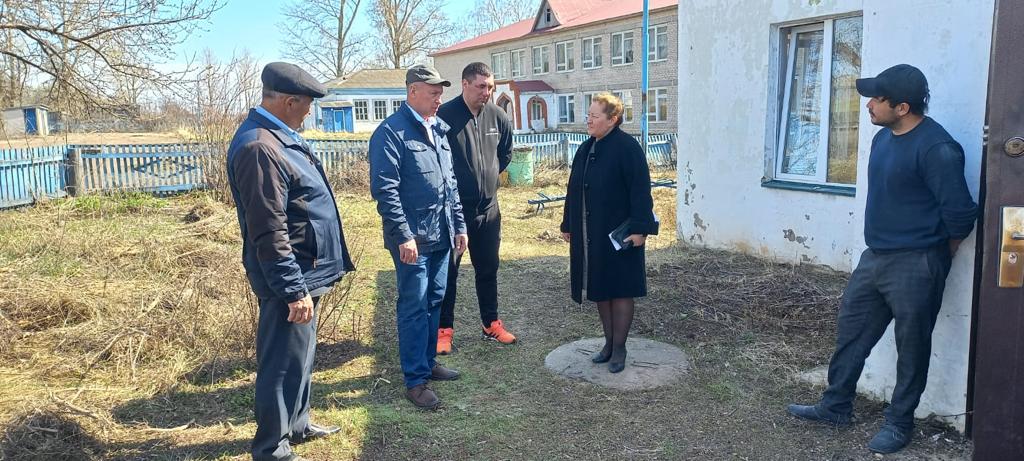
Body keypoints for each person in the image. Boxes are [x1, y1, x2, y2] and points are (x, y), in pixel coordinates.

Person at [787, 64, 978, 454]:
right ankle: (836, 405)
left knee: (911, 346)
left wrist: (938, 254)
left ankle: (899, 422)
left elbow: (960, 213)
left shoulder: (938, 149)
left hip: (917, 262)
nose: (869, 105)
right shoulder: (884, 139)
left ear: (903, 107)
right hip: (875, 257)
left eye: (877, 99)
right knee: (852, 331)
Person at [226, 62, 356, 461]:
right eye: (307, 105)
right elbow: (269, 230)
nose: (310, 112)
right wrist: (292, 289)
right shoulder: (259, 147)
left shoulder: (279, 137)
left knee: (300, 355)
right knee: (281, 364)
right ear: (288, 101)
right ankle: (272, 448)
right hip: (291, 277)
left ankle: (297, 425)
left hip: (308, 269)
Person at [369, 64, 468, 410]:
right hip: (413, 240)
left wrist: (459, 226)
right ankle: (415, 381)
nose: (440, 99)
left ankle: (428, 363)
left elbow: (450, 184)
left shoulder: (439, 129)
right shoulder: (391, 133)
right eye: (433, 92)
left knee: (435, 300)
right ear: (413, 92)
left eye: (441, 92)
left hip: (441, 233)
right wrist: (403, 235)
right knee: (414, 306)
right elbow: (386, 191)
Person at [560, 92, 658, 374]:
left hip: (621, 235)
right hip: (593, 233)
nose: (588, 120)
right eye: (588, 115)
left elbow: (641, 192)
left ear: (612, 119)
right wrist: (568, 224)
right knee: (601, 289)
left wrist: (641, 230)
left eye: (594, 116)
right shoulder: (587, 148)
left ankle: (620, 348)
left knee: (621, 289)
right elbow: (573, 189)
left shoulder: (628, 148)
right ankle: (608, 343)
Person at [435, 62, 516, 355]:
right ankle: (443, 331)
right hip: (456, 212)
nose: (487, 92)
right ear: (465, 84)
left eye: (490, 87)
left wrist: (489, 178)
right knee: (449, 272)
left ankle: (491, 323)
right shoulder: (445, 117)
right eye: (481, 86)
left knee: (488, 268)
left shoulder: (498, 116)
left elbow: (505, 154)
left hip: (489, 209)